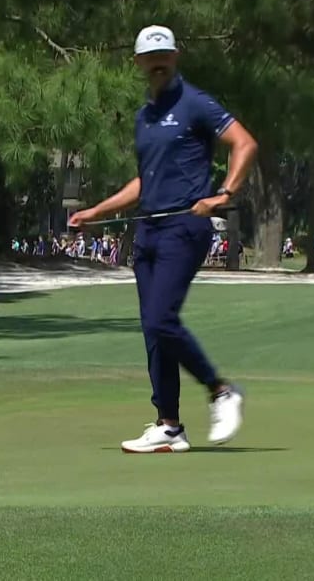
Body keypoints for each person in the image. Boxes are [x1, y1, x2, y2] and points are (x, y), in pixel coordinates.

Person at [68, 25, 258, 453]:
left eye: (164, 54)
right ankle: (169, 425)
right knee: (153, 330)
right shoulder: (144, 118)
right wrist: (98, 211)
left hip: (185, 227)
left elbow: (244, 143)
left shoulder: (195, 104)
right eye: (149, 56)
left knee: (161, 319)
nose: (157, 62)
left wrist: (224, 193)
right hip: (149, 229)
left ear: (175, 57)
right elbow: (144, 181)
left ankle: (221, 390)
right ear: (138, 62)